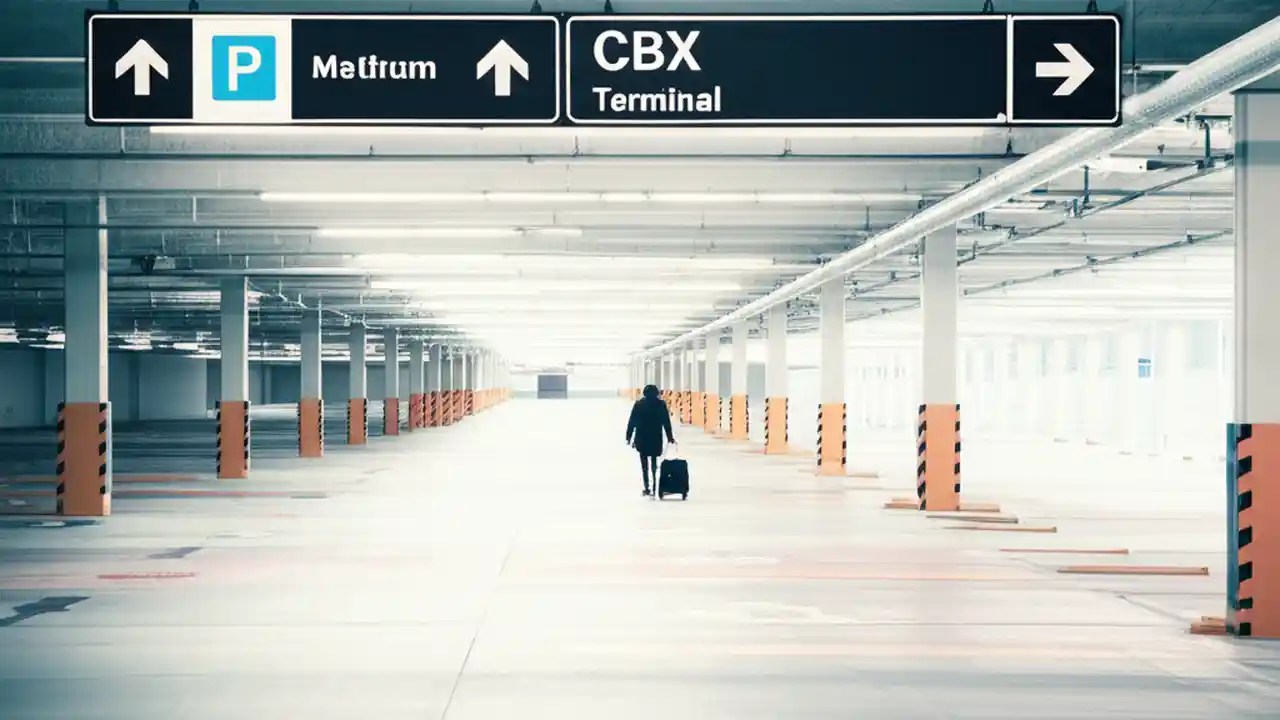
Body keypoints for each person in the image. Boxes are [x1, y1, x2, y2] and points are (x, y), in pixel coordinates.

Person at [626, 384, 676, 497]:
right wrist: (670, 436)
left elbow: (632, 421)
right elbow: (666, 421)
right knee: (654, 462)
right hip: (655, 437)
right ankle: (654, 485)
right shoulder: (661, 404)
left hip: (641, 438)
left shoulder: (639, 405)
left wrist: (628, 437)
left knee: (644, 465)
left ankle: (647, 487)